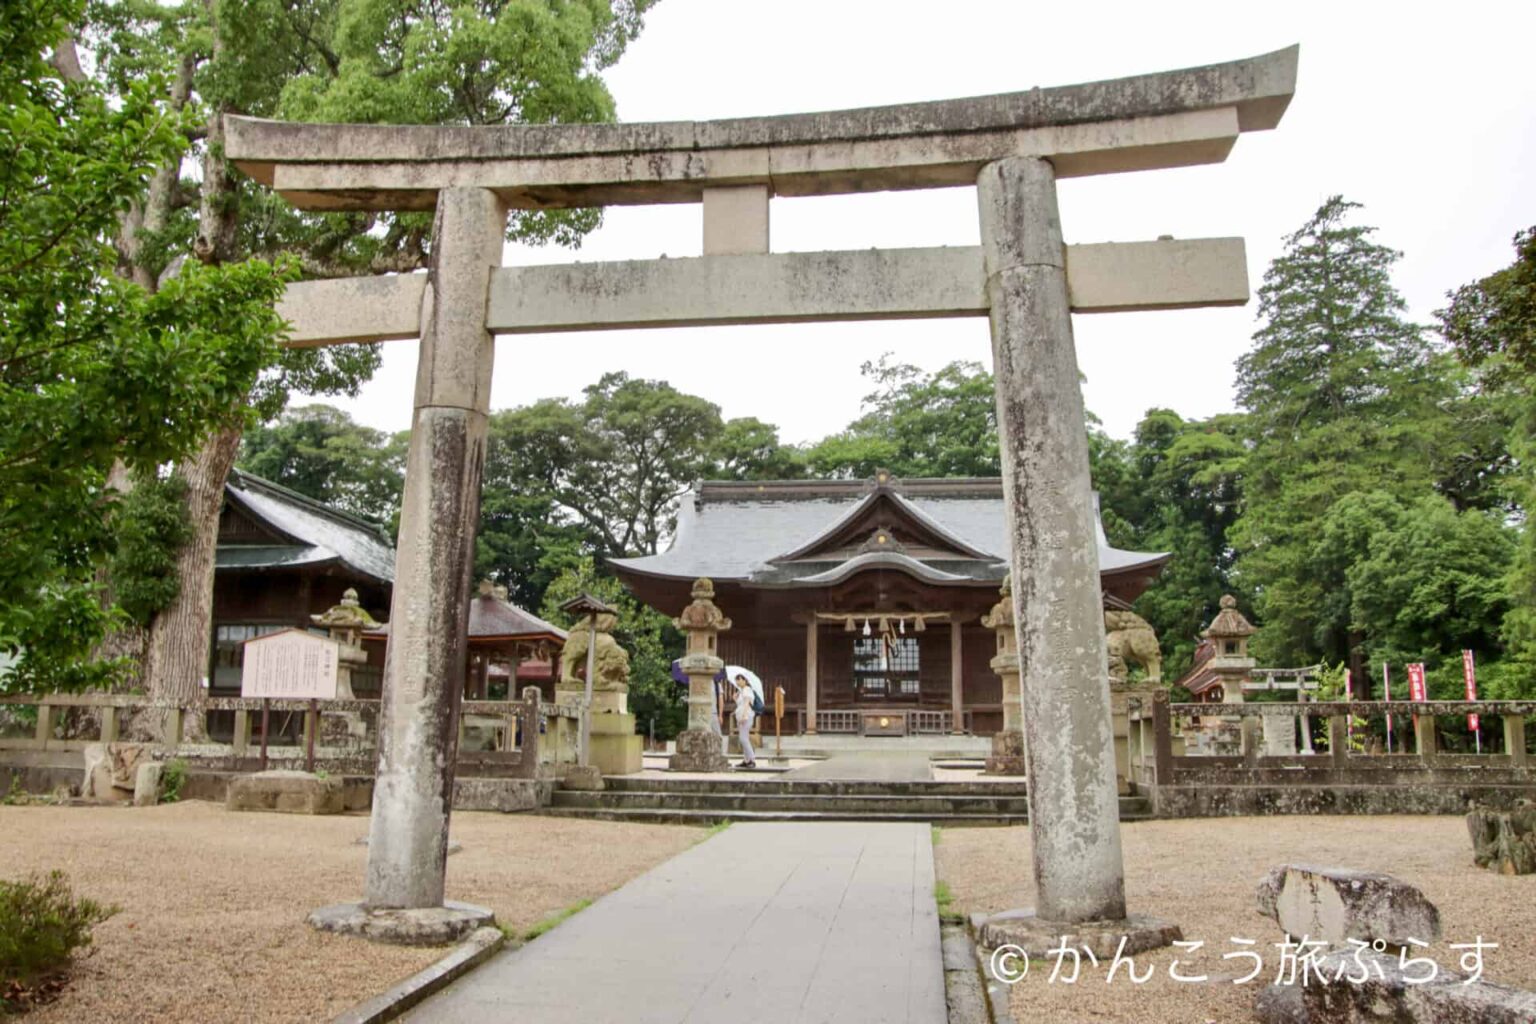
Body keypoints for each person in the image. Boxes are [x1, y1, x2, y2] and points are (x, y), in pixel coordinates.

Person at [733, 674, 757, 769]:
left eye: (739, 680)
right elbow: (741, 705)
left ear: (744, 680)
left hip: (746, 716)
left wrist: (744, 716)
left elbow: (747, 704)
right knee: (743, 738)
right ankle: (746, 760)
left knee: (743, 738)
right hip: (741, 716)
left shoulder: (747, 690)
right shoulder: (741, 691)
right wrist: (735, 699)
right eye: (736, 680)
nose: (737, 682)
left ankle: (752, 759)